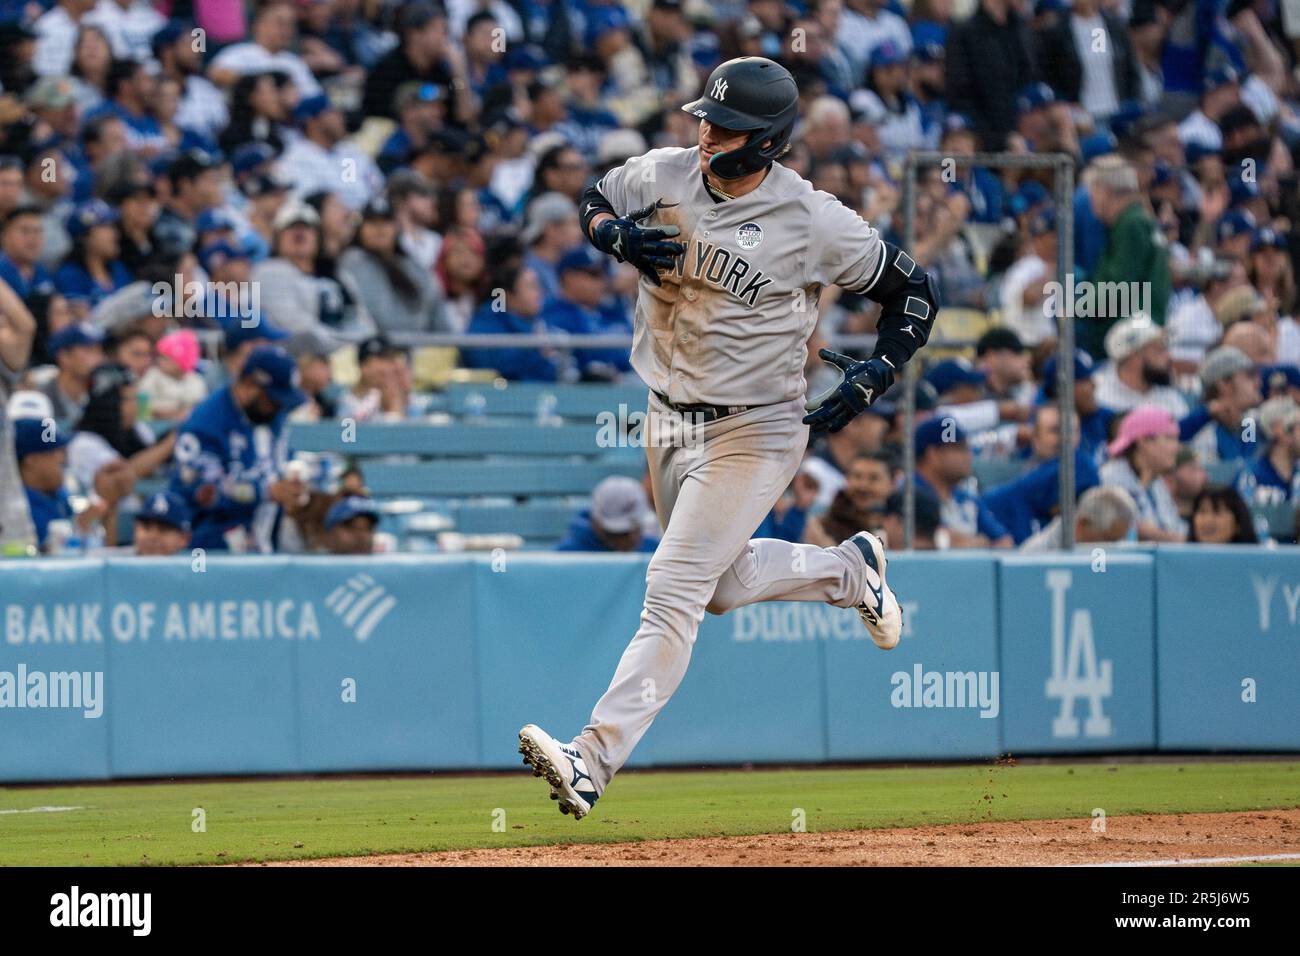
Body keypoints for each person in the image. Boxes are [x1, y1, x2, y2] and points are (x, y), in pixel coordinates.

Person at [517, 57, 940, 820]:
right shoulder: (668, 172)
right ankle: (848, 574)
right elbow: (592, 197)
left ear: (768, 142)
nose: (706, 133)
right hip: (666, 415)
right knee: (719, 588)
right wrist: (610, 233)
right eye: (705, 119)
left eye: (726, 127)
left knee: (672, 590)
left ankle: (592, 757)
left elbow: (913, 290)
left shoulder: (810, 218)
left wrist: (876, 373)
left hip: (757, 424)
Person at [169, 345, 308, 553]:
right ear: (249, 385)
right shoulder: (203, 424)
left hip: (265, 544)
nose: (279, 408)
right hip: (210, 549)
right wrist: (266, 491)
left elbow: (283, 464)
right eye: (273, 401)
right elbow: (207, 492)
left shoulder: (271, 417)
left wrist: (295, 489)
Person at [337, 196, 449, 335]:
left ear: (396, 227)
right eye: (372, 222)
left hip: (421, 350)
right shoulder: (349, 264)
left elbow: (441, 320)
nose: (379, 228)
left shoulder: (415, 268)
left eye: (386, 222)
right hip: (372, 350)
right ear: (360, 229)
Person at [913, 416, 1013, 548]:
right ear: (933, 454)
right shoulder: (908, 495)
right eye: (959, 448)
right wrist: (979, 542)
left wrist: (964, 542)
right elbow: (932, 539)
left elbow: (1005, 542)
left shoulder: (967, 499)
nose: (968, 455)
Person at [1100, 405, 1186, 541]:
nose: (1177, 447)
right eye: (1170, 438)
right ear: (1144, 441)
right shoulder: (1110, 478)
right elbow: (1124, 534)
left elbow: (1174, 528)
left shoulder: (1157, 482)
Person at [803, 451, 897, 547]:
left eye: (873, 478)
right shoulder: (823, 526)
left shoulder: (903, 524)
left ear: (892, 483)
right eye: (857, 476)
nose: (863, 486)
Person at [556, 475, 659, 553]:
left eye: (635, 529)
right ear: (596, 523)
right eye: (620, 533)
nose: (631, 539)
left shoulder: (653, 549)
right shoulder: (569, 554)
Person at [1019, 485, 1138, 552]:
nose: (1116, 548)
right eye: (1110, 541)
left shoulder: (1103, 559)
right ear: (1081, 525)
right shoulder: (1036, 555)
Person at [40, 321, 105, 423]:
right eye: (90, 350)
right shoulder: (43, 399)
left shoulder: (102, 396)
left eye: (99, 351)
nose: (99, 358)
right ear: (64, 357)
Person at [1187, 485, 1258, 544]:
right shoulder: (1180, 558)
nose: (1208, 519)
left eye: (1217, 512)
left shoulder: (1259, 559)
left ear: (1238, 523)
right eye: (1203, 512)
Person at [132, 489, 192, 556]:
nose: (152, 536)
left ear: (184, 538)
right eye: (146, 527)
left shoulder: (197, 564)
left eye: (163, 529)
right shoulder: (120, 560)